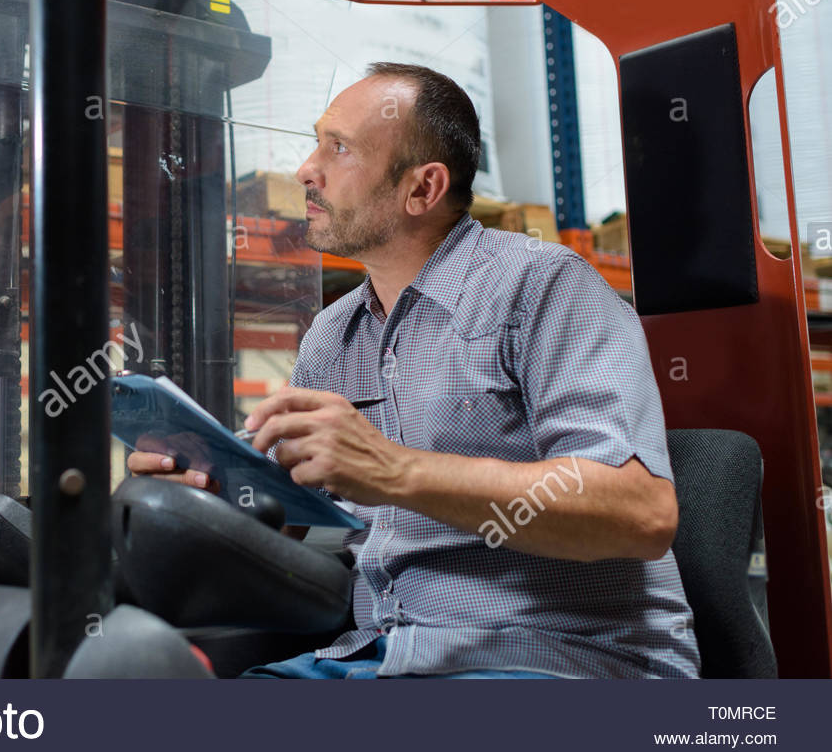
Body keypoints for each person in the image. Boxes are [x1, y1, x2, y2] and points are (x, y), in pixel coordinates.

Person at [128, 62, 701, 679]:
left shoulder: (545, 287)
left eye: (338, 148)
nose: (305, 170)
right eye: (316, 140)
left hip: (555, 661)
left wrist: (394, 470)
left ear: (422, 189)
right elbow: (304, 527)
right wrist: (218, 497)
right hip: (377, 658)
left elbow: (642, 515)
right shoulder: (335, 333)